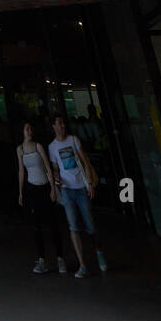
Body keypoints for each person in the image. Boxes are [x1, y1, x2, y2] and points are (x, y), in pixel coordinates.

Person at [48, 112, 107, 277]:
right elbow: (54, 167)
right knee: (73, 227)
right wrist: (56, 178)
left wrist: (89, 183)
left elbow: (85, 160)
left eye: (63, 123)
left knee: (90, 226)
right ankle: (82, 264)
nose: (62, 125)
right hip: (67, 190)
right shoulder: (52, 147)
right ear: (54, 127)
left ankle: (99, 252)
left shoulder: (73, 140)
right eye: (59, 123)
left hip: (81, 187)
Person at [17, 121, 65, 273]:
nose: (29, 131)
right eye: (26, 129)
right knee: (36, 226)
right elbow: (21, 171)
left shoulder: (38, 146)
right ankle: (42, 259)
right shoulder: (20, 149)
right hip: (32, 188)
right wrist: (20, 192)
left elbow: (47, 167)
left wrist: (52, 188)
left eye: (31, 128)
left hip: (44, 187)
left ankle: (60, 258)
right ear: (23, 132)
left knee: (52, 223)